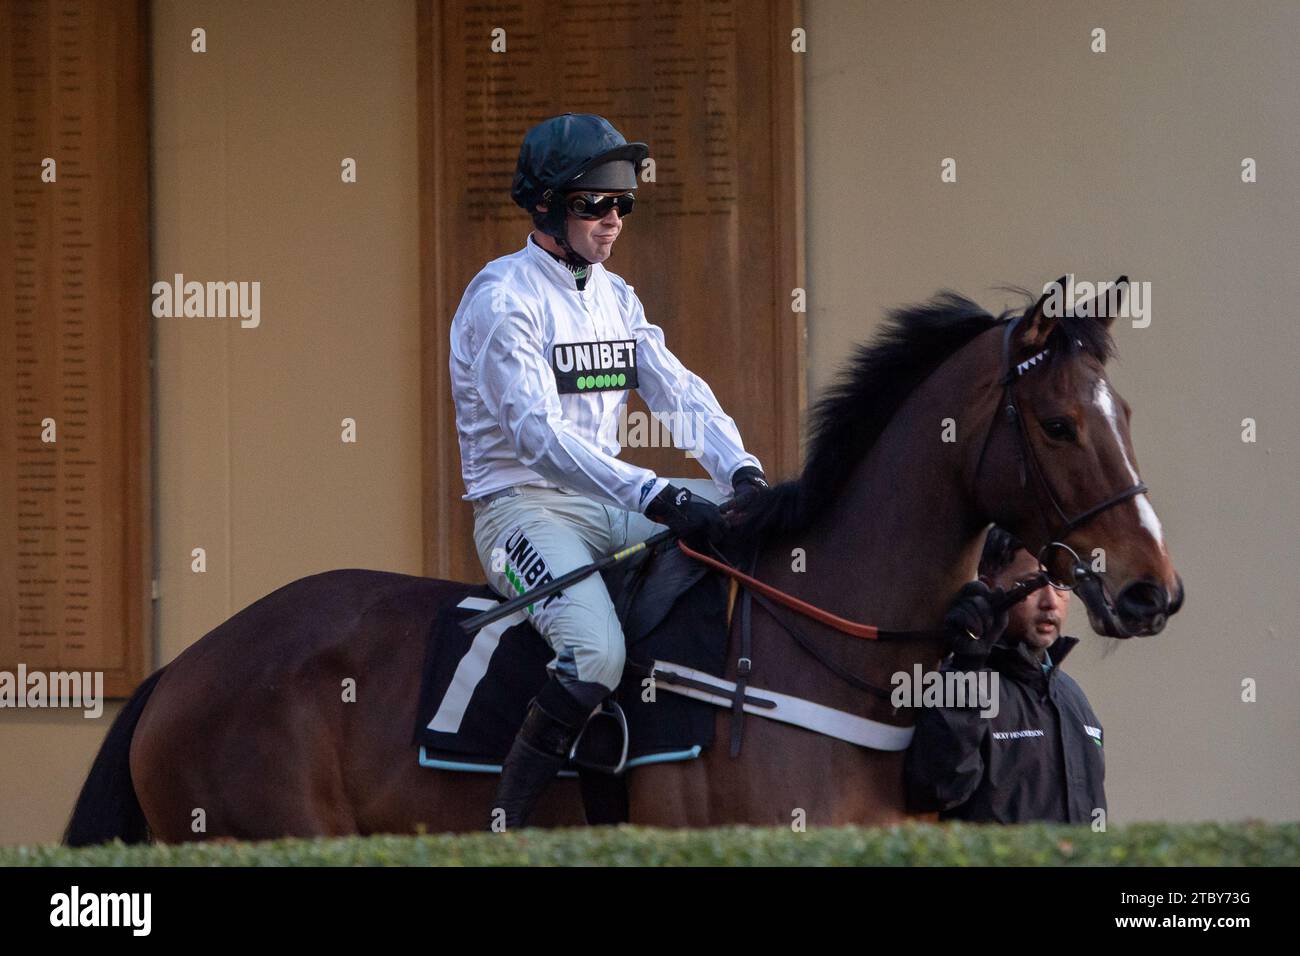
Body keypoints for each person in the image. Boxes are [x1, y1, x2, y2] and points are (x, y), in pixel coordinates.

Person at [448, 112, 768, 830]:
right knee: (594, 652)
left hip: (603, 499)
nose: (613, 218)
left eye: (623, 202)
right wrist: (656, 492)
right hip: (520, 510)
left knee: (753, 528)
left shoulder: (615, 295)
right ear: (546, 207)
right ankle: (504, 822)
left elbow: (677, 391)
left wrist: (740, 471)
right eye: (594, 203)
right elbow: (537, 439)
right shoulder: (504, 300)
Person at [903, 527, 1107, 824]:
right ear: (988, 588)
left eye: (1061, 583)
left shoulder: (1072, 696)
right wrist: (967, 665)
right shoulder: (958, 682)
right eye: (1032, 583)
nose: (1051, 601)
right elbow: (937, 790)